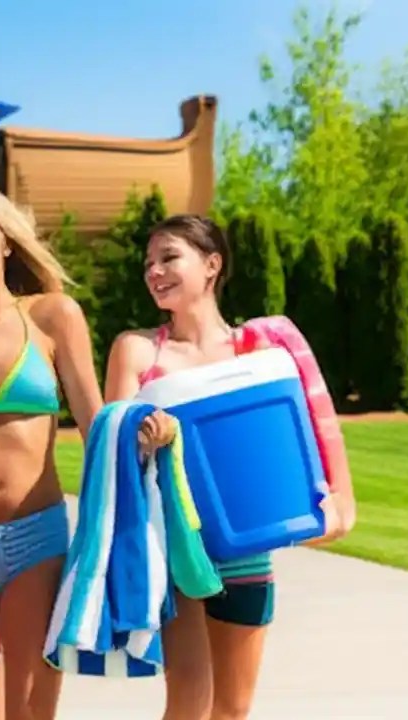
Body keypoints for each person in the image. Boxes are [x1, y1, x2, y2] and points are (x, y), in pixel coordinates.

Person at [0, 183, 170, 720]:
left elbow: (97, 423)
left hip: (35, 541)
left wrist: (141, 437)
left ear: (6, 240)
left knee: (28, 707)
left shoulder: (53, 316)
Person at [102, 213, 353, 720]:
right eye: (148, 263)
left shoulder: (260, 350)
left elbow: (302, 433)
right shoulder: (137, 351)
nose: (154, 271)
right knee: (189, 706)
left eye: (169, 257)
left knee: (233, 710)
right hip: (176, 552)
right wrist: (145, 437)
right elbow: (113, 458)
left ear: (211, 264)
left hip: (246, 554)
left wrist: (335, 500)